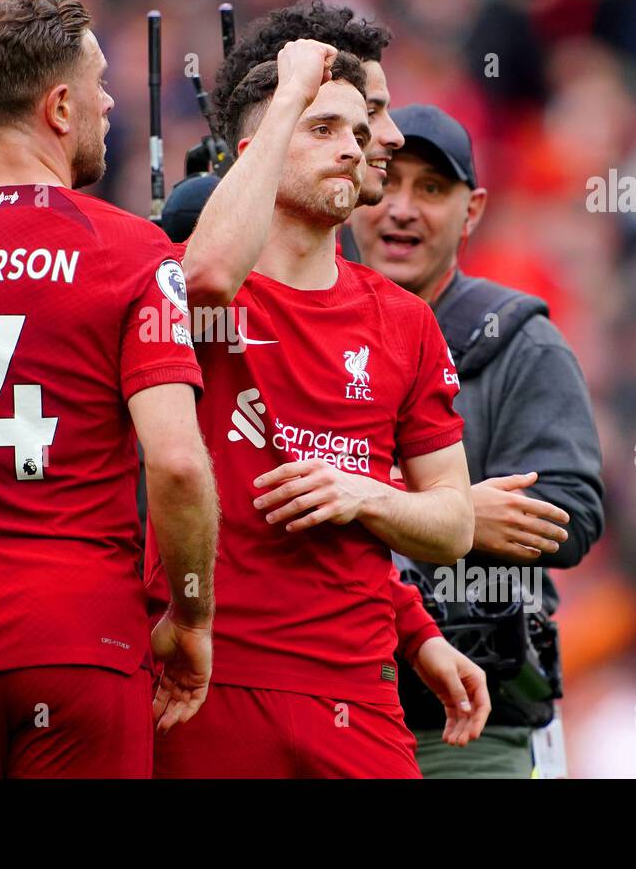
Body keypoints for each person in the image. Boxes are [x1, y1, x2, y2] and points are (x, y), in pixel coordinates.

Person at [0, 0, 219, 778]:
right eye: (98, 84)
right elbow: (179, 464)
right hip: (78, 642)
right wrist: (191, 613)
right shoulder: (130, 251)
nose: (110, 102)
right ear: (60, 106)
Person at [146, 40, 473, 778]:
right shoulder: (187, 291)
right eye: (320, 128)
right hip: (206, 683)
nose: (351, 150)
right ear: (254, 150)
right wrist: (289, 91)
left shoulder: (406, 320)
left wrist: (364, 493)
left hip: (358, 694)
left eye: (359, 134)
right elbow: (199, 278)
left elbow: (453, 525)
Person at [348, 104, 605, 777]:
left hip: (468, 725)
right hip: (327, 701)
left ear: (473, 210)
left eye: (431, 188)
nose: (402, 208)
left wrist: (445, 520)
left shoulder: (521, 344)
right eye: (388, 179)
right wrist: (454, 510)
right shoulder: (305, 326)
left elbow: (572, 513)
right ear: (354, 190)